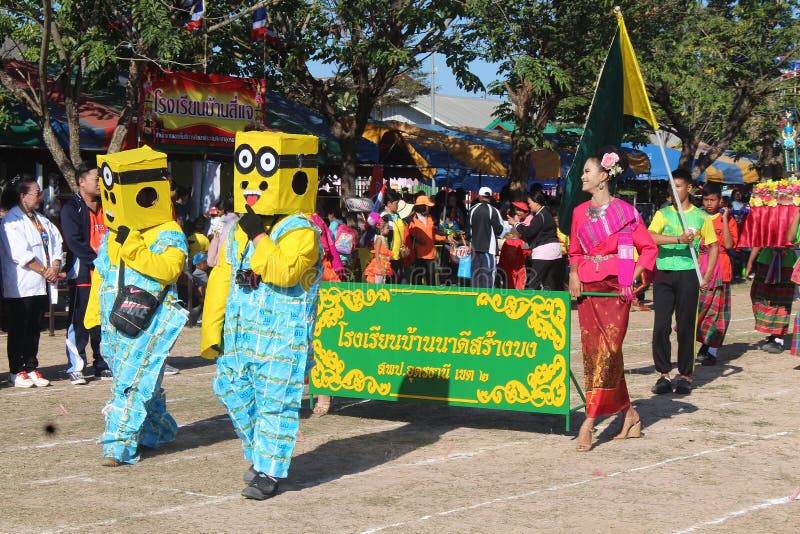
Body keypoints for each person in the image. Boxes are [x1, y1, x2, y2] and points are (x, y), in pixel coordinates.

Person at [201, 131, 323, 500]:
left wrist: (257, 235)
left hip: (282, 337)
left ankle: (268, 470)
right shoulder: (239, 229)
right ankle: (262, 452)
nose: (253, 186)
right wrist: (212, 330)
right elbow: (223, 275)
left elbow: (284, 272)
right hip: (240, 333)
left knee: (275, 402)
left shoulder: (302, 230)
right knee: (230, 389)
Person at [86, 146, 188, 466]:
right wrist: (94, 315)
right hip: (115, 321)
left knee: (130, 383)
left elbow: (169, 270)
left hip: (151, 320)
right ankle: (156, 429)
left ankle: (117, 446)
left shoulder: (168, 231)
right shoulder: (112, 235)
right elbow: (103, 275)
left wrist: (132, 244)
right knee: (139, 380)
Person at [568, 148, 657, 452]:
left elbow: (649, 249)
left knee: (609, 351)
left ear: (604, 176)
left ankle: (588, 422)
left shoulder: (625, 213)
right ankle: (629, 414)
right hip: (587, 290)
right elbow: (574, 251)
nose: (582, 176)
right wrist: (574, 274)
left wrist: (632, 277)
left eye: (587, 171)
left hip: (615, 288)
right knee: (595, 354)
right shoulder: (579, 212)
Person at [648, 169, 718, 395]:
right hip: (664, 273)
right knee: (661, 326)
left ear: (689, 188)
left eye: (678, 186)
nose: (674, 190)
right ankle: (663, 374)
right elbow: (650, 237)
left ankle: (686, 375)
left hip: (688, 274)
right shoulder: (663, 214)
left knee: (686, 326)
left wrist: (706, 276)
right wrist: (678, 239)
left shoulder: (701, 216)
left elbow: (714, 246)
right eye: (671, 187)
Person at [0, 176, 63, 388]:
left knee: (35, 328)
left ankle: (30, 366)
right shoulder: (11, 221)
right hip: (21, 285)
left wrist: (55, 265)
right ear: (23, 196)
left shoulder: (41, 219)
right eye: (36, 192)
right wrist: (46, 271)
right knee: (19, 328)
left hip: (41, 284)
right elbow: (20, 254)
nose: (40, 196)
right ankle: (16, 370)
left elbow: (56, 240)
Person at [60, 163, 111, 384]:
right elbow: (74, 241)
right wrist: (96, 262)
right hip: (84, 274)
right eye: (96, 179)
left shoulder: (108, 206)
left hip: (107, 274)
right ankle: (76, 366)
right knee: (79, 322)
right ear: (81, 181)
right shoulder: (71, 208)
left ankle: (102, 364)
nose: (100, 183)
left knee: (103, 322)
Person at [696, 183, 739, 366]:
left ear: (721, 200)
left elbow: (728, 245)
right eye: (706, 200)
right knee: (700, 310)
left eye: (713, 200)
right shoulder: (697, 217)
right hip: (701, 268)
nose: (709, 203)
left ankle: (711, 350)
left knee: (718, 312)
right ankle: (702, 343)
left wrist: (725, 220)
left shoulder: (727, 219)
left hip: (721, 269)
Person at [513, 191, 562, 290]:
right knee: (549, 283)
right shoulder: (546, 213)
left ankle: (529, 300)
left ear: (536, 203)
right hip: (555, 252)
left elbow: (529, 232)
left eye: (530, 203)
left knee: (533, 283)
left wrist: (515, 224)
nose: (529, 206)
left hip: (544, 252)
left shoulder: (540, 216)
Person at [465, 187, 504, 288]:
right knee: (488, 276)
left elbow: (468, 231)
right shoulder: (494, 211)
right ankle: (487, 296)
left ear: (479, 196)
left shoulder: (472, 210)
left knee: (475, 275)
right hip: (489, 250)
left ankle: (475, 296)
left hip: (474, 249)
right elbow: (499, 230)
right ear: (490, 197)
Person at [408, 194, 448, 285]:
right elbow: (408, 237)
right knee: (417, 282)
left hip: (430, 256)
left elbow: (433, 235)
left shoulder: (430, 218)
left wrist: (446, 238)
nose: (429, 208)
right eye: (427, 206)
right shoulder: (411, 220)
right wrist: (416, 240)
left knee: (431, 282)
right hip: (418, 257)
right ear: (422, 207)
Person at [499, 201, 530, 290]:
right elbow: (528, 252)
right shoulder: (522, 242)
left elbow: (502, 255)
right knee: (520, 285)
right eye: (517, 210)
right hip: (520, 267)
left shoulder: (507, 242)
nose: (518, 212)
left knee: (509, 284)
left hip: (508, 267)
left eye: (520, 210)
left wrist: (501, 263)